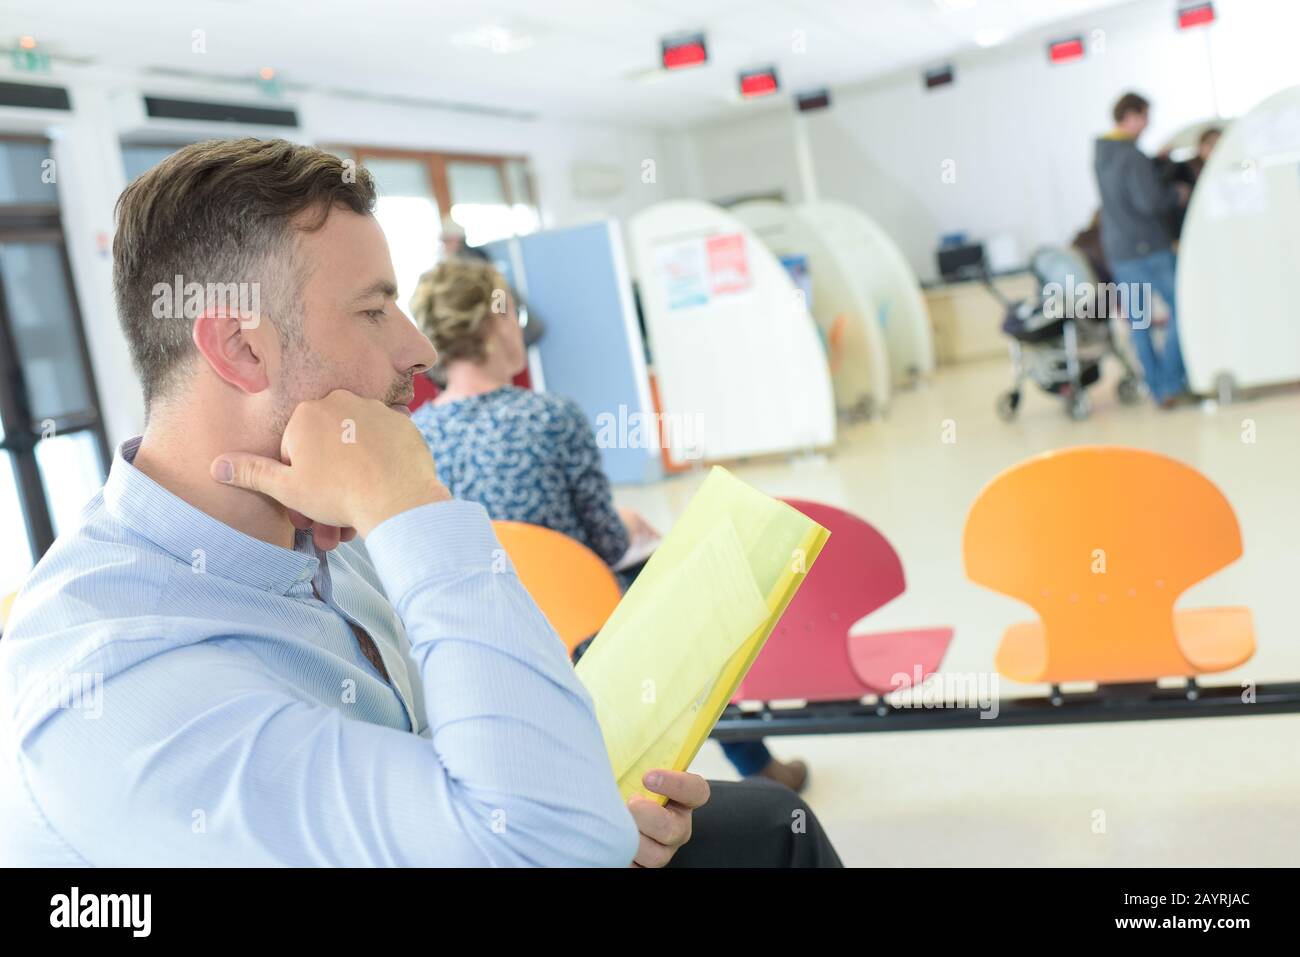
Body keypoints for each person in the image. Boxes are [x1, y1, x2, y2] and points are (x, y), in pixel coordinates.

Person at [0, 138, 841, 868]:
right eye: (373, 310)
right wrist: (409, 506)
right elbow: (538, 842)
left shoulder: (319, 523)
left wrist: (582, 799)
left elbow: (465, 762)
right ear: (242, 347)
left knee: (769, 830)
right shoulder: (114, 687)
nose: (420, 348)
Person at [408, 257, 811, 793]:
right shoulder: (552, 416)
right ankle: (757, 766)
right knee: (693, 610)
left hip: (485, 628)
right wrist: (622, 522)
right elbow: (607, 541)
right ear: (492, 324)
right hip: (579, 627)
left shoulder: (418, 433)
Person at [1094, 92, 1191, 408]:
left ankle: (1157, 388)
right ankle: (1172, 379)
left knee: (1139, 324)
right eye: (1146, 116)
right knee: (1183, 308)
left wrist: (1154, 166)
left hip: (1121, 251)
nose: (1148, 123)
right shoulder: (1132, 156)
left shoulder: (1103, 154)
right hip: (1150, 248)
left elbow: (1127, 193)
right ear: (1133, 116)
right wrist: (1176, 193)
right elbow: (1149, 202)